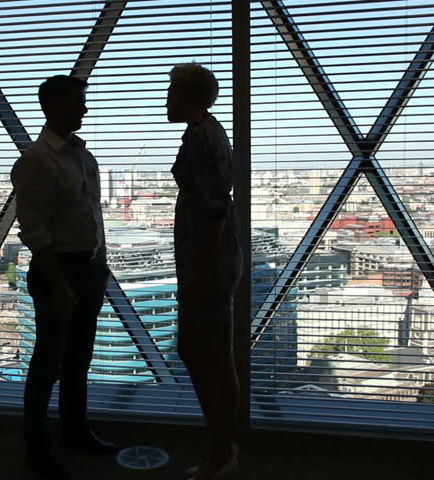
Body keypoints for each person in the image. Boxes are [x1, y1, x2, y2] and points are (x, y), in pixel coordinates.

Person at [10, 75, 117, 480]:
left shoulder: (81, 156)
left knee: (78, 359)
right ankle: (37, 451)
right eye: (77, 102)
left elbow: (93, 217)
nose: (84, 109)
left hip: (87, 267)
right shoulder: (38, 160)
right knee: (48, 363)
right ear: (52, 106)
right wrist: (59, 283)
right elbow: (34, 231)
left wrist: (100, 265)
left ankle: (74, 432)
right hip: (59, 270)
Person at [166, 63, 242, 480]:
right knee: (206, 353)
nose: (166, 97)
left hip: (205, 269)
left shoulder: (203, 137)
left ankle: (222, 451)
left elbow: (212, 212)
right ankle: (223, 446)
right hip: (206, 267)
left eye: (172, 89)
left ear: (189, 95)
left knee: (207, 355)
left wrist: (201, 277)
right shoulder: (205, 131)